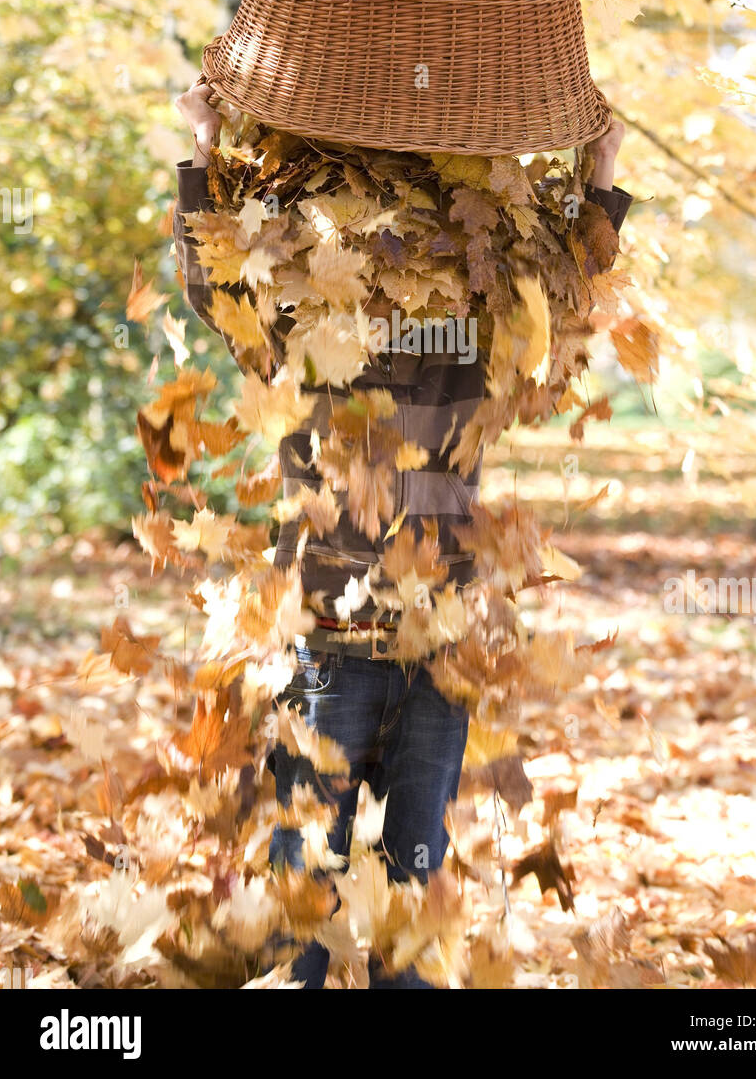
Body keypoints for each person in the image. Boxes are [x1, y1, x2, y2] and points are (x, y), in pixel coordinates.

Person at [173, 74, 631, 988]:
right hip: (361, 638)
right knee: (338, 875)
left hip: (414, 637)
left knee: (372, 878)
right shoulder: (379, 312)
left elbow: (212, 278)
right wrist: (600, 168)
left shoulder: (418, 315)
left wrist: (201, 144)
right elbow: (576, 293)